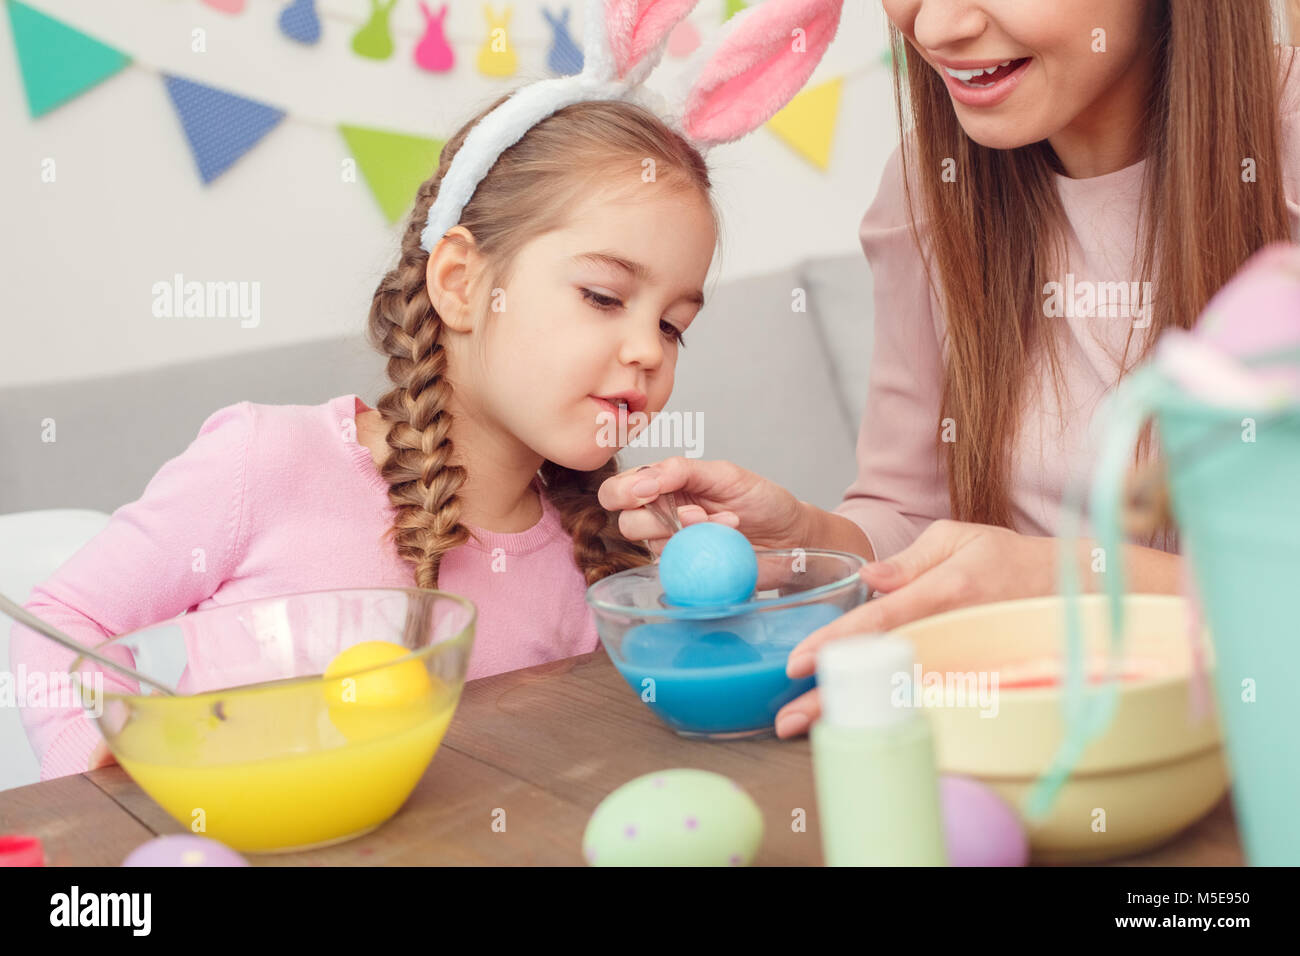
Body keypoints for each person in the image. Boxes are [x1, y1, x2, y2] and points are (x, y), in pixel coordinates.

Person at [600, 0, 1300, 739]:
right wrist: (808, 546)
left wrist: (1065, 583)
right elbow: (915, 514)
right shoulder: (926, 192)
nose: (934, 29)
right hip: (1046, 748)